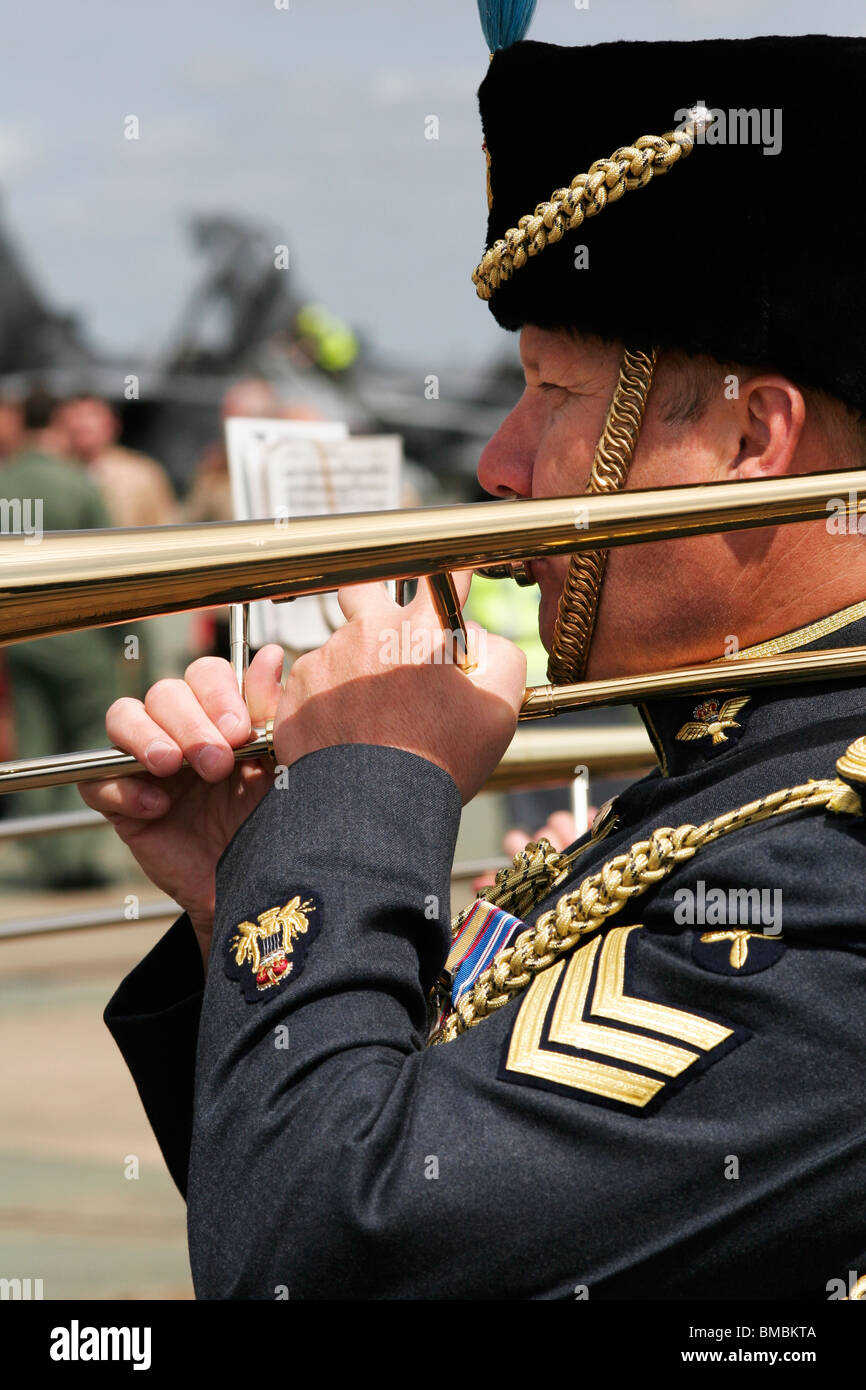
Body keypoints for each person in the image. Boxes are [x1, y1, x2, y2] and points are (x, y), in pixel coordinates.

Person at [88, 28, 866, 1298]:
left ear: (749, 432)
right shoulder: (735, 770)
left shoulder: (825, 866)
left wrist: (353, 811)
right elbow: (396, 1200)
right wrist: (263, 902)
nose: (499, 466)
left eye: (552, 394)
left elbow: (332, 1262)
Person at [3, 391, 119, 886]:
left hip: (19, 641)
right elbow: (114, 568)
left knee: (35, 748)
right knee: (93, 740)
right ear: (55, 423)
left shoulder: (4, 481)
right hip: (81, 642)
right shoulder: (76, 482)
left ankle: (45, 858)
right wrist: (132, 646)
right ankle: (73, 855)